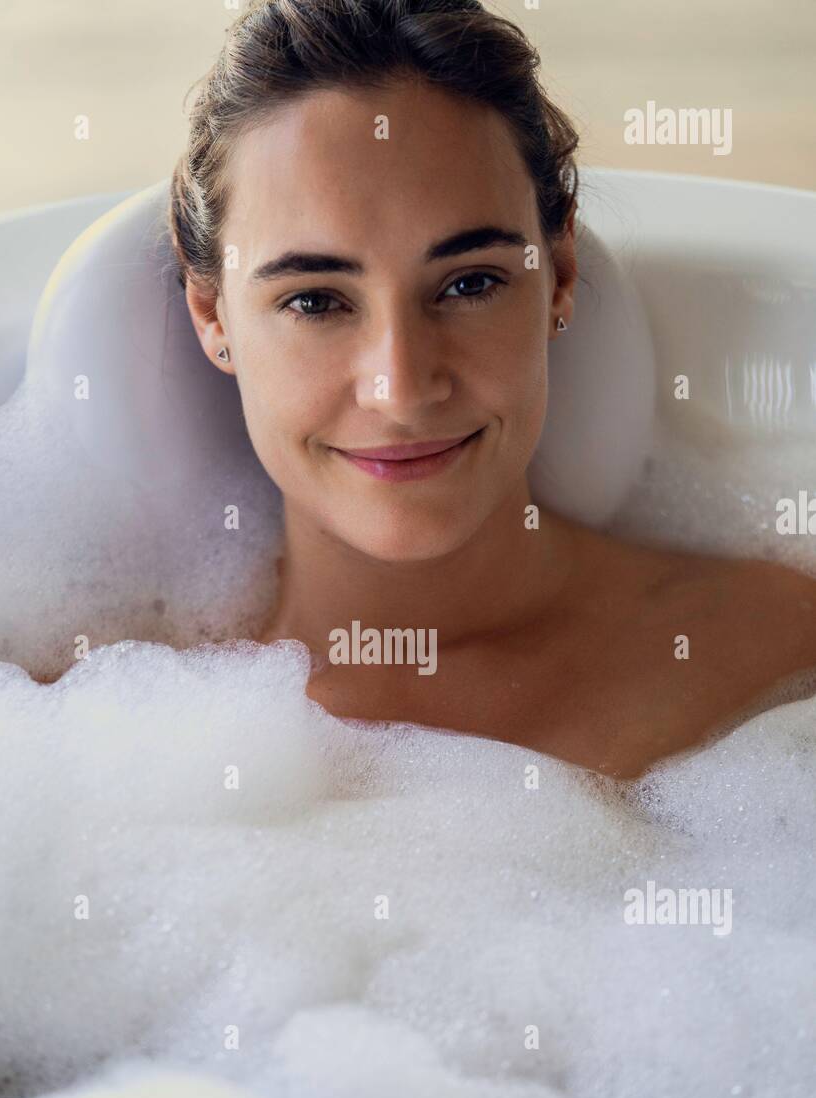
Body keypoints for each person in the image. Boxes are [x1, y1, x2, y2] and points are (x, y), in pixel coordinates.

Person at [171, 0, 816, 779]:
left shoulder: (776, 649)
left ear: (559, 276)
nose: (402, 388)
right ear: (212, 312)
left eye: (469, 283)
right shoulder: (104, 728)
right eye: (315, 300)